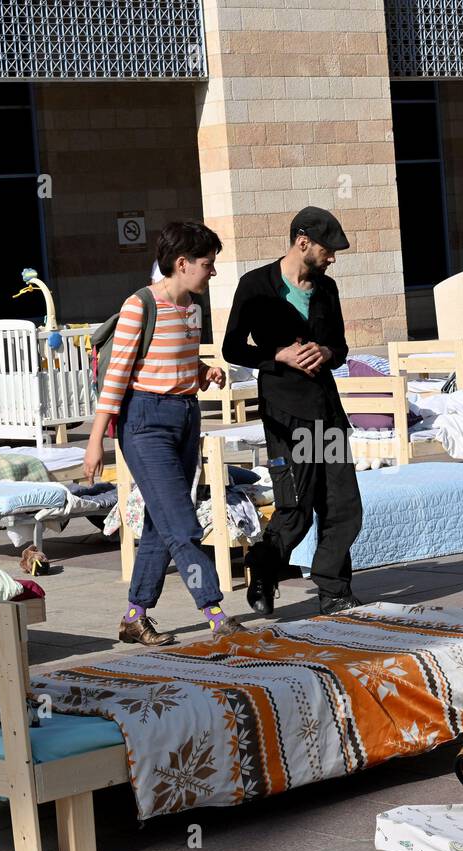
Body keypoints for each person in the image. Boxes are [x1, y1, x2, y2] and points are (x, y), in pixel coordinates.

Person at [82, 220, 242, 645]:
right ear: (181, 263)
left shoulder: (193, 308)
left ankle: (135, 616)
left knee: (160, 522)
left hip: (186, 416)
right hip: (144, 422)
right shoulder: (140, 305)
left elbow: (179, 361)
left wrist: (203, 372)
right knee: (183, 524)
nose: (213, 272)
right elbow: (117, 377)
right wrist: (96, 440)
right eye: (207, 264)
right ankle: (214, 612)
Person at [222, 206, 364, 616]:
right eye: (328, 249)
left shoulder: (327, 289)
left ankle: (334, 589)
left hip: (327, 412)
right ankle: (263, 571)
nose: (332, 257)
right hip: (286, 414)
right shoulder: (256, 287)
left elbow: (340, 348)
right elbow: (233, 347)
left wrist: (326, 351)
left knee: (342, 504)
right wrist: (278, 355)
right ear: (303, 242)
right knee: (297, 507)